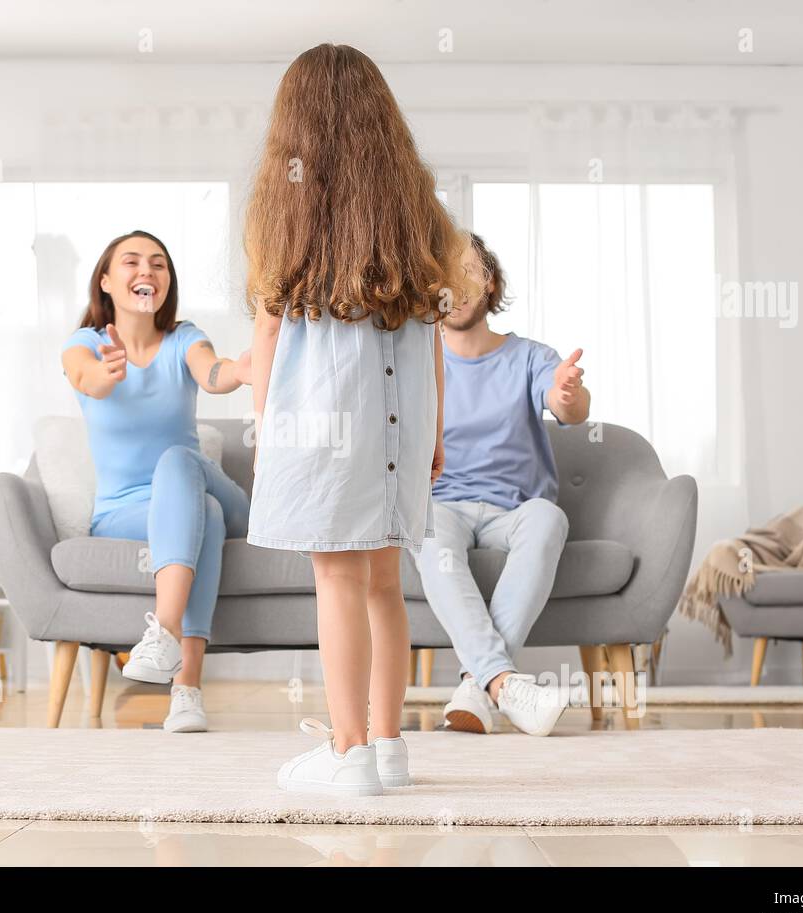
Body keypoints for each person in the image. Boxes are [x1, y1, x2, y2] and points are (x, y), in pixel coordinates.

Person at [245, 44, 478, 795]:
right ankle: (387, 745)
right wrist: (435, 429)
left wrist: (265, 428)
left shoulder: (286, 204)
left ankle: (346, 756)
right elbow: (436, 326)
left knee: (335, 579)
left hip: (321, 419)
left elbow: (272, 330)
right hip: (399, 422)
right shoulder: (420, 209)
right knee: (383, 581)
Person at [61, 230, 252, 733]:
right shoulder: (88, 344)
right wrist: (108, 374)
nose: (147, 271)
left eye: (159, 264)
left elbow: (212, 373)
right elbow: (87, 379)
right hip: (125, 512)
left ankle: (164, 631)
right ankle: (186, 691)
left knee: (179, 463)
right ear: (106, 280)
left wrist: (241, 369)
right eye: (131, 262)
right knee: (202, 516)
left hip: (208, 487)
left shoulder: (183, 338)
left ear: (167, 282)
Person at [414, 233, 590, 737]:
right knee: (423, 528)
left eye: (469, 270)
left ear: (489, 282)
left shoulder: (530, 356)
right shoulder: (417, 362)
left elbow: (569, 408)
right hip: (443, 506)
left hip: (516, 510)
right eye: (445, 273)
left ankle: (479, 683)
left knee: (548, 518)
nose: (458, 284)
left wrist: (566, 393)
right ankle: (505, 686)